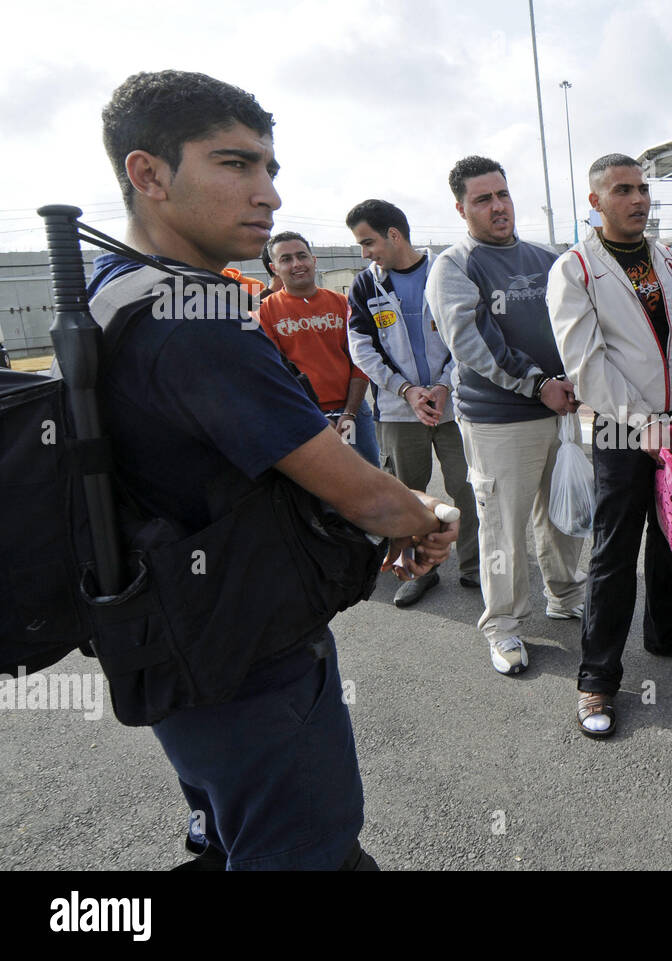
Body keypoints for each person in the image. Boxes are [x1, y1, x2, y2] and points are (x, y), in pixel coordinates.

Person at [91, 70, 458, 869]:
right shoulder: (194, 319)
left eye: (269, 169)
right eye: (234, 165)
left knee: (234, 838)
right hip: (246, 659)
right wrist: (428, 518)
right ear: (148, 174)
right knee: (307, 853)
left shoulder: (112, 290)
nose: (267, 195)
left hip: (174, 642)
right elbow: (353, 483)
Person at [547, 153, 672, 739]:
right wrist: (639, 420)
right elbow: (585, 359)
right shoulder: (575, 269)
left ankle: (669, 634)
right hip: (623, 430)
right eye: (623, 190)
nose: (639, 200)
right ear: (595, 202)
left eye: (643, 189)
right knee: (613, 553)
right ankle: (597, 677)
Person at [430, 156, 586, 677]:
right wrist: (536, 383)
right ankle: (504, 626)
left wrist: (575, 381)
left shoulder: (547, 258)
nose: (498, 206)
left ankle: (565, 594)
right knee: (503, 527)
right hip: (499, 418)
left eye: (502, 194)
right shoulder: (454, 265)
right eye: (482, 199)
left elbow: (575, 323)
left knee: (562, 513)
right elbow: (471, 341)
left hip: (559, 409)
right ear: (462, 208)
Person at [346, 198, 480, 604]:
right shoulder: (365, 284)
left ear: (394, 234)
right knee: (404, 493)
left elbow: (468, 336)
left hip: (455, 405)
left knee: (469, 487)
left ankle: (476, 568)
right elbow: (361, 348)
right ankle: (418, 569)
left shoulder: (449, 271)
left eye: (368, 242)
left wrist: (443, 386)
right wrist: (407, 390)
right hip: (398, 410)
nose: (366, 253)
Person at [258, 231, 380, 466]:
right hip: (302, 417)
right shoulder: (264, 311)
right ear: (274, 268)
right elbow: (275, 373)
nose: (297, 264)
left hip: (351, 414)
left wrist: (350, 413)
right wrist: (314, 417)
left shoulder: (343, 304)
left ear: (313, 260)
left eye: (302, 256)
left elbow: (360, 360)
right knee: (324, 493)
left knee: (367, 482)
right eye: (286, 259)